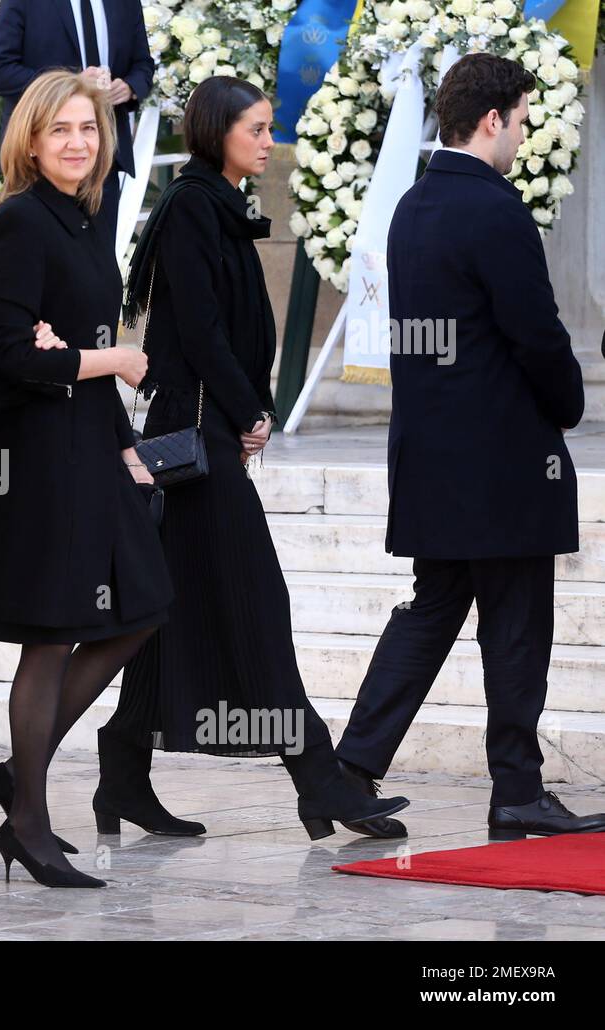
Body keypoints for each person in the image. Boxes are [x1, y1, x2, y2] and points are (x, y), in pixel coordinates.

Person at [109, 75, 409, 842]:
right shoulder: (192, 206)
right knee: (254, 603)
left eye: (270, 128)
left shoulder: (216, 202)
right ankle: (319, 779)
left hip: (208, 427)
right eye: (258, 128)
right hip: (197, 432)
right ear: (217, 131)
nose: (269, 141)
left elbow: (226, 328)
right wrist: (250, 412)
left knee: (168, 607)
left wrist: (254, 408)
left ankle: (120, 773)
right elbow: (203, 330)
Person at [334, 54, 605, 840]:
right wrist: (569, 403)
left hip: (434, 456)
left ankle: (349, 769)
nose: (521, 134)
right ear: (493, 119)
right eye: (520, 118)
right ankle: (517, 789)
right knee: (516, 624)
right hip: (502, 462)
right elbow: (537, 333)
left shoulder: (414, 205)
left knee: (432, 611)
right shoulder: (494, 208)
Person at [0, 70, 172, 889]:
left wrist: (124, 440)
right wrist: (111, 362)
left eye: (88, 129)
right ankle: (31, 820)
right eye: (61, 130)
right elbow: (8, 354)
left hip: (90, 445)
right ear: (31, 138)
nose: (78, 142)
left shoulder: (87, 217)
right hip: (40, 458)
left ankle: (21, 777)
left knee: (142, 607)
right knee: (53, 634)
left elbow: (65, 344)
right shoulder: (20, 218)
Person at [0, 0, 154, 242]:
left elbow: (143, 64)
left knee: (102, 264)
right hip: (41, 159)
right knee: (43, 260)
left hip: (104, 158)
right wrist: (71, 83)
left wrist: (129, 87)